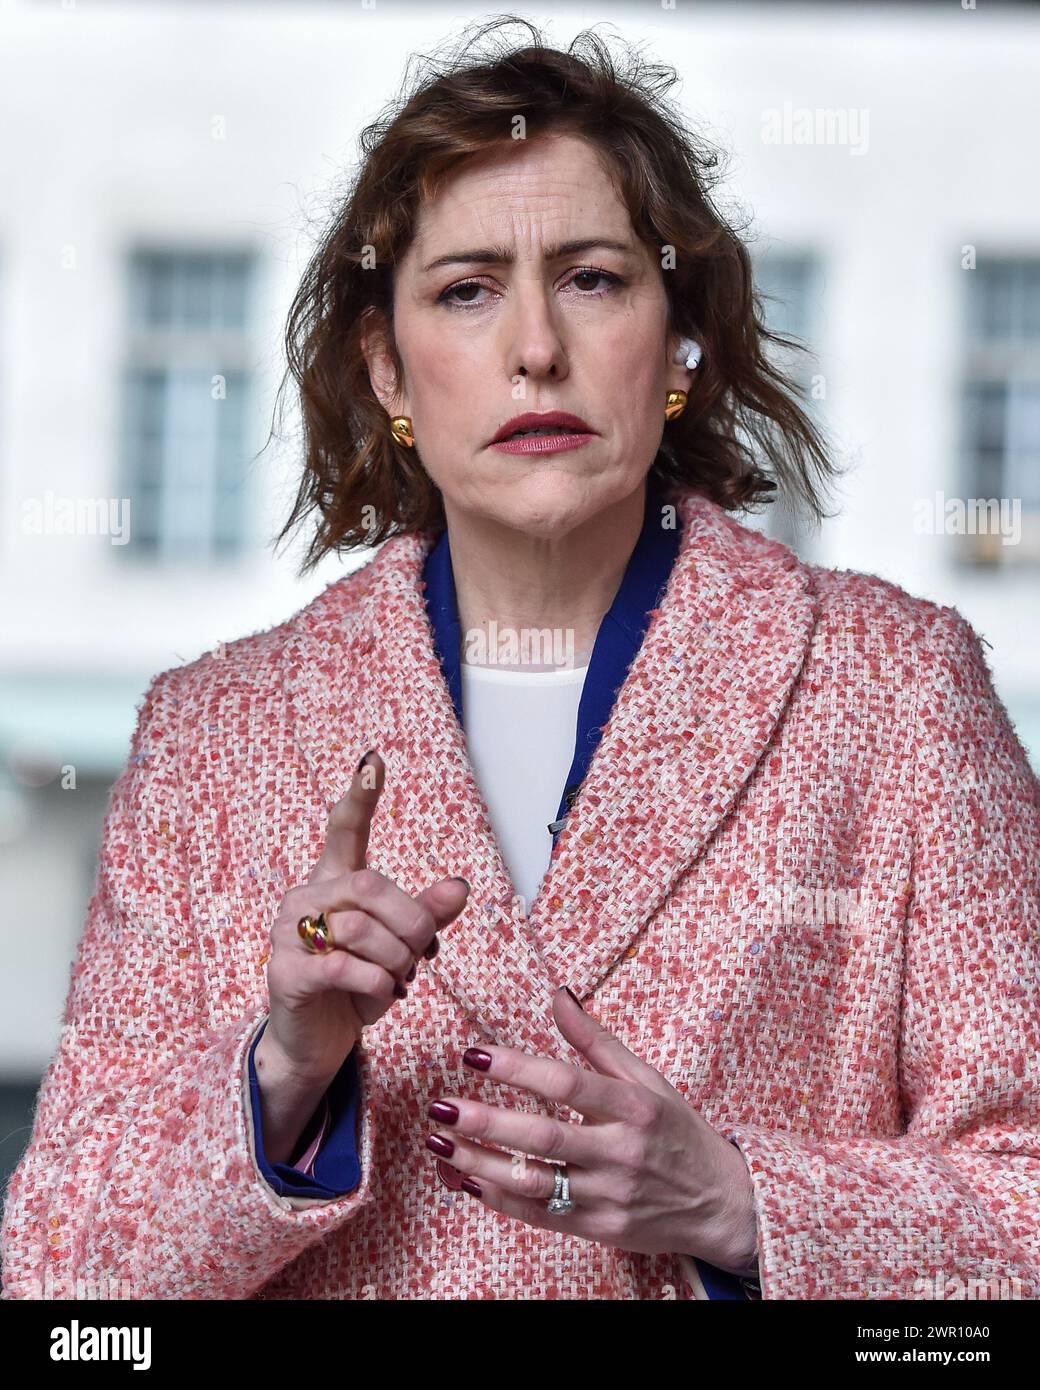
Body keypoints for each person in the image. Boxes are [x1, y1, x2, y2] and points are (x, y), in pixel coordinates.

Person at [3, 20, 1038, 1302]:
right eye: (466, 288)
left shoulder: (894, 690)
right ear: (387, 368)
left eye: (594, 278)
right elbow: (54, 1287)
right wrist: (280, 1074)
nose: (535, 347)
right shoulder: (213, 735)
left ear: (681, 347)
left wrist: (737, 1203)